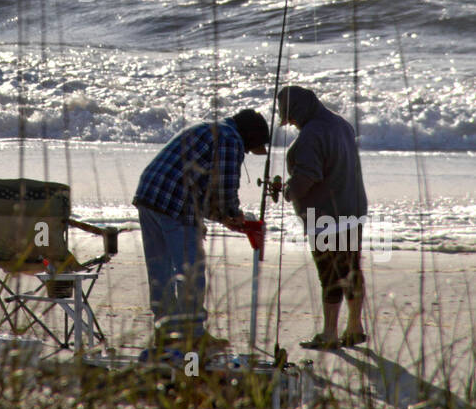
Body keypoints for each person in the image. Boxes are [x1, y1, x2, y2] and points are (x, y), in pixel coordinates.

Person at [133, 109, 270, 355]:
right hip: (173, 201)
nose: (247, 152)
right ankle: (193, 335)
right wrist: (233, 214)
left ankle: (165, 330)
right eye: (251, 148)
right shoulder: (231, 139)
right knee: (191, 270)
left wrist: (218, 216)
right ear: (249, 137)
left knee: (160, 270)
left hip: (148, 194)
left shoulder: (209, 128)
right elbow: (224, 189)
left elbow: (201, 187)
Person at [277, 84, 368, 350]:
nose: (291, 123)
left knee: (329, 275)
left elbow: (307, 176)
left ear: (297, 111)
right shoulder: (341, 125)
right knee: (351, 269)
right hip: (353, 208)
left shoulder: (310, 135)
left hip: (326, 215)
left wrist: (287, 190)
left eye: (290, 117)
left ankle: (329, 333)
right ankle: (355, 327)